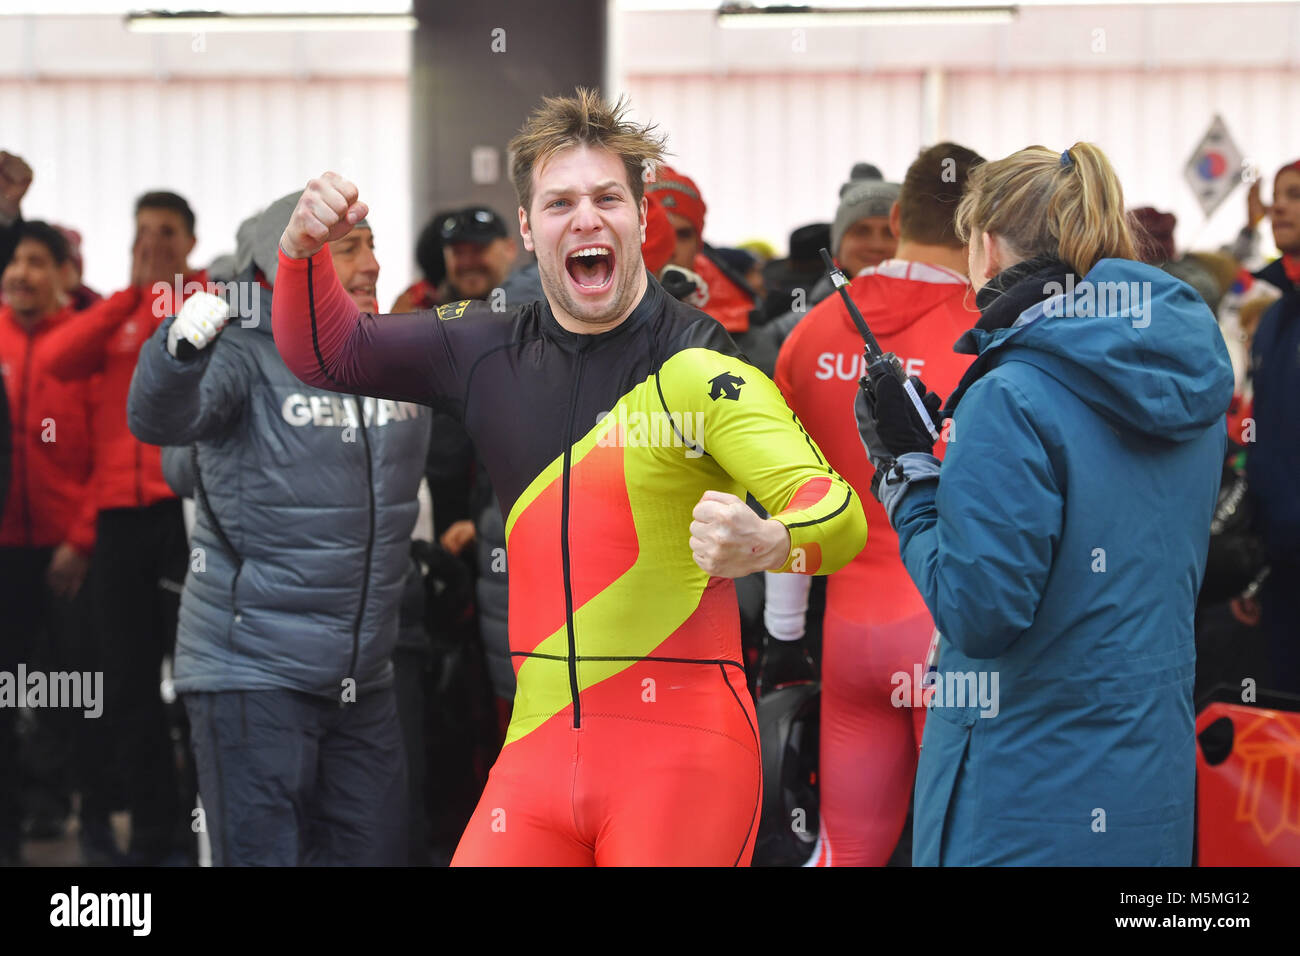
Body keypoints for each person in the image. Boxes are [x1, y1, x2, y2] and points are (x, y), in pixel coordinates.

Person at [272, 88, 866, 866]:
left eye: (606, 197)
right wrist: (301, 251)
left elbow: (838, 511)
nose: (585, 217)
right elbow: (328, 354)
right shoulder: (483, 350)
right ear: (528, 228)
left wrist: (771, 540)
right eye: (559, 202)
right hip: (538, 755)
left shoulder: (696, 363)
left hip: (683, 755)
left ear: (642, 218)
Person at [855, 143, 1233, 865]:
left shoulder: (1011, 394)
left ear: (986, 247)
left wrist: (907, 474)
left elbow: (980, 611)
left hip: (1023, 795)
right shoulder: (1186, 381)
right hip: (1146, 790)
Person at [126, 192, 430, 865]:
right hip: (252, 673)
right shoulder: (240, 353)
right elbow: (161, 426)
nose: (373, 264)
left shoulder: (397, 355)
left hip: (365, 676)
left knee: (374, 852)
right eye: (349, 248)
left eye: (373, 244)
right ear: (293, 263)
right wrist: (177, 352)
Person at [765, 143, 984, 867]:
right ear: (982, 227)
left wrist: (785, 630)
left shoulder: (813, 330)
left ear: (897, 218)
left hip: (846, 634)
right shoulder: (989, 332)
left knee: (843, 850)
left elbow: (786, 495)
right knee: (962, 850)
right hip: (948, 630)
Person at [43, 190, 206, 864]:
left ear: (191, 241)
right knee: (128, 684)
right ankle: (149, 828)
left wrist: (171, 291)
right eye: (142, 232)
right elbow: (58, 358)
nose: (153, 243)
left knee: (198, 681)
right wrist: (127, 297)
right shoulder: (115, 314)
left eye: (166, 232)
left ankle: (205, 827)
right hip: (117, 523)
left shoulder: (208, 300)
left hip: (183, 516)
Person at [0, 222, 98, 865]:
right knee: (9, 690)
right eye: (13, 261)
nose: (20, 274)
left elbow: (117, 446)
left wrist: (82, 537)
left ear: (64, 273)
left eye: (37, 262)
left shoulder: (86, 340)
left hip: (71, 549)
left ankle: (74, 811)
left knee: (72, 688)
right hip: (4, 545)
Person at [744, 170, 901, 377]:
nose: (877, 245)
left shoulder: (933, 318)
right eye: (861, 231)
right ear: (838, 246)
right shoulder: (791, 329)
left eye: (889, 232)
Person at [1246, 158, 1300, 695]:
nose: (1277, 206)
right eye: (1278, 195)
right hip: (1278, 562)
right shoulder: (1274, 318)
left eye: (1297, 195)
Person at [392, 206, 518, 312]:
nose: (467, 263)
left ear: (509, 249)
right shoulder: (421, 313)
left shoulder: (530, 309)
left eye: (478, 250)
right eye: (457, 252)